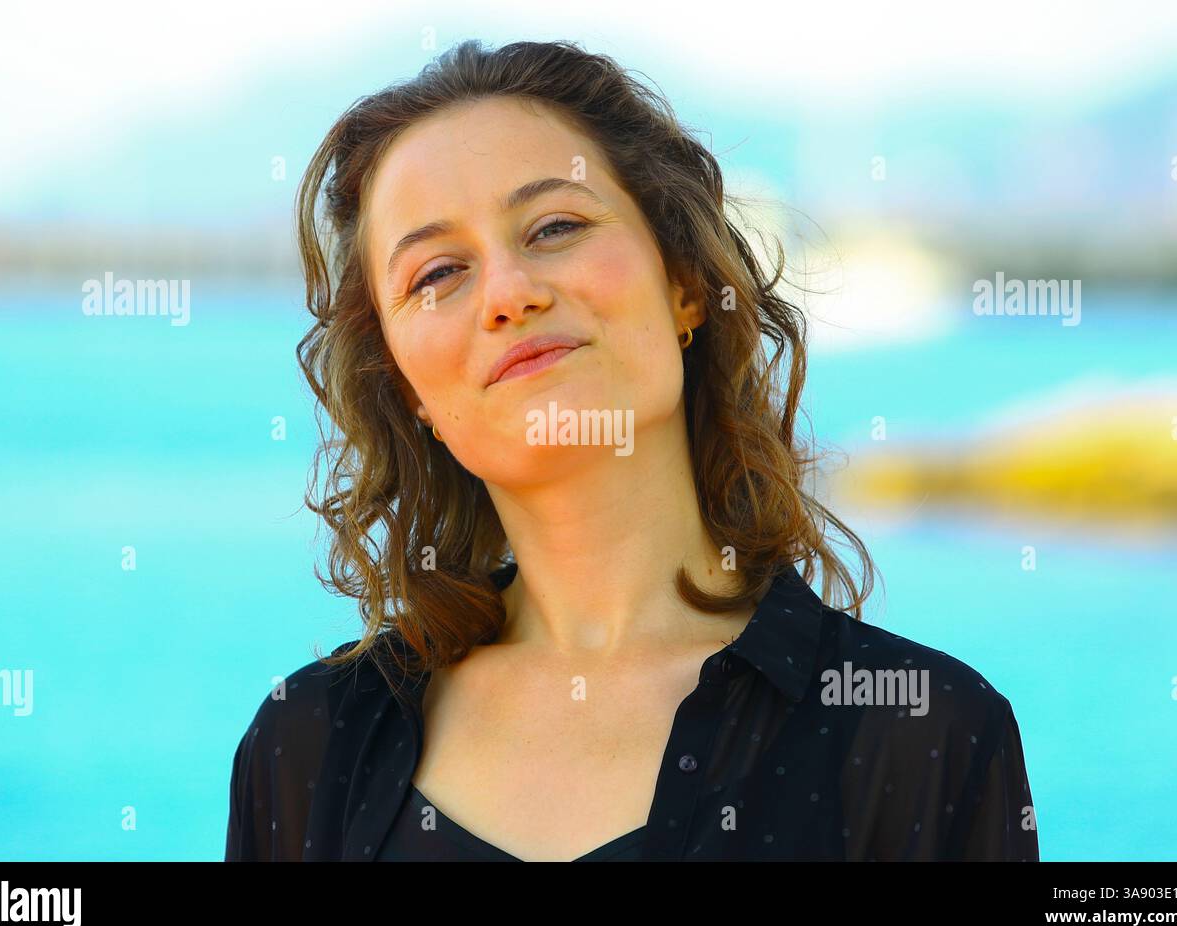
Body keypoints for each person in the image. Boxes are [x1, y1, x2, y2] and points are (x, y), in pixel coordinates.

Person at [225, 38, 1038, 862]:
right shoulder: (309, 747)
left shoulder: (921, 734)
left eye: (554, 226)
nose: (510, 292)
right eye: (437, 273)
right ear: (406, 388)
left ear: (684, 282)